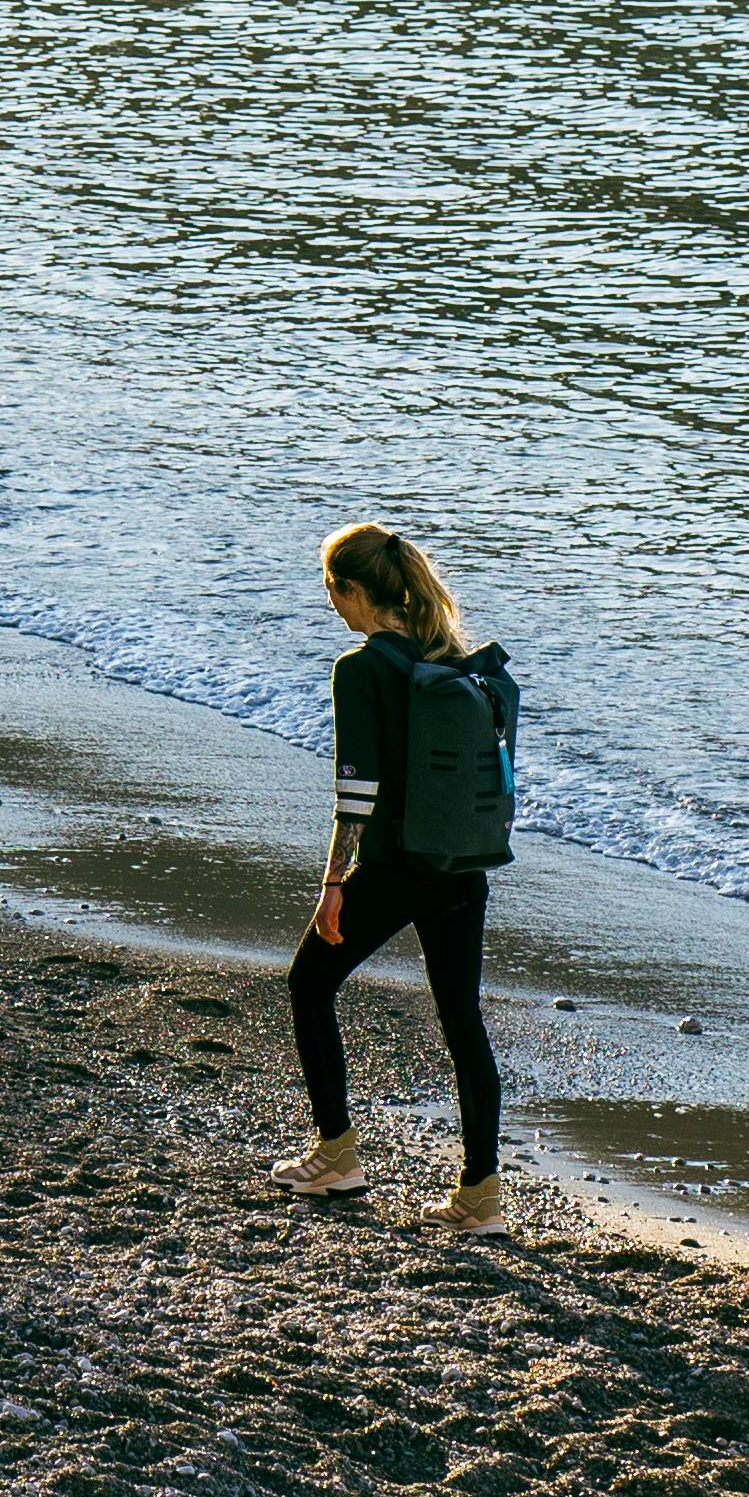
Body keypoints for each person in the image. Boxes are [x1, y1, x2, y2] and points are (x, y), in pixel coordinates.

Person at [288, 517, 515, 1228]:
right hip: (461, 867)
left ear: (351, 590)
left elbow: (356, 792)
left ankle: (337, 1157)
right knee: (461, 1022)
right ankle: (481, 1197)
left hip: (394, 868)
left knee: (309, 983)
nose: (330, 602)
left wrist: (333, 886)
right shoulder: (451, 662)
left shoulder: (361, 670)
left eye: (331, 589)